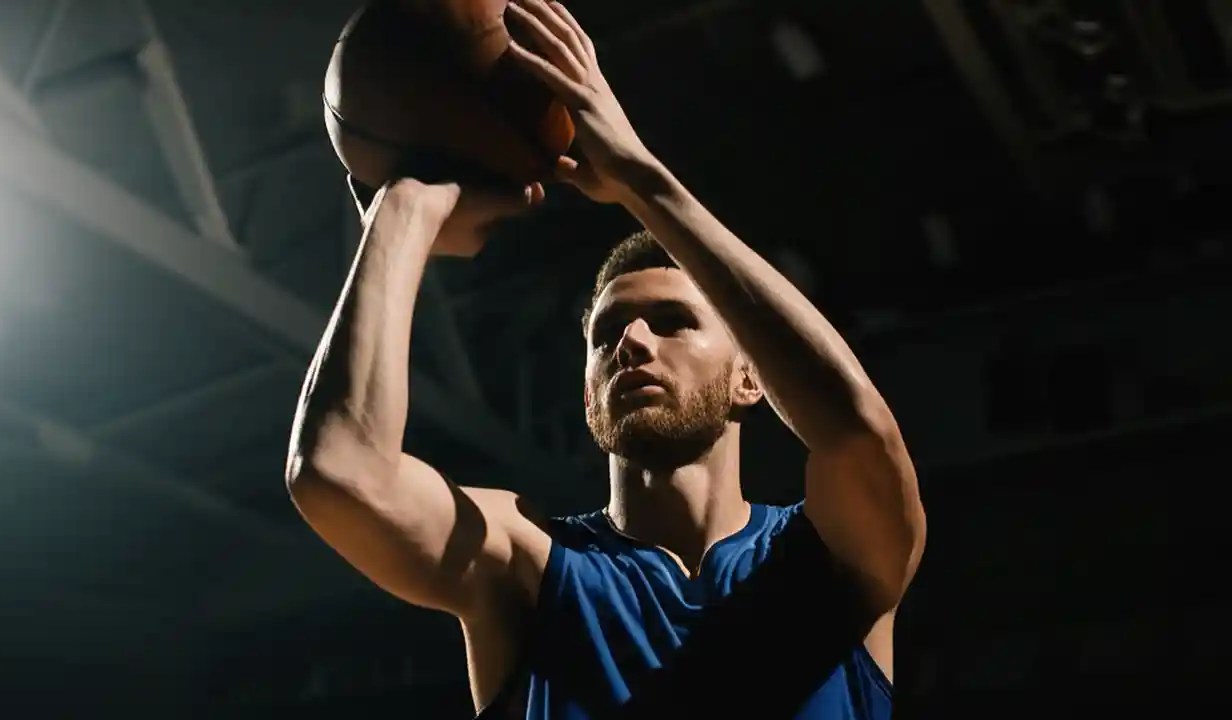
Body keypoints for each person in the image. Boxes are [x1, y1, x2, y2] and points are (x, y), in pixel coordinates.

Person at [285, 1, 927, 718]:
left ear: (754, 378)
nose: (632, 342)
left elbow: (861, 431)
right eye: (607, 332)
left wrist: (641, 179)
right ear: (587, 396)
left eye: (674, 321)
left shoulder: (833, 561)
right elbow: (339, 472)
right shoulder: (524, 564)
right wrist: (404, 208)